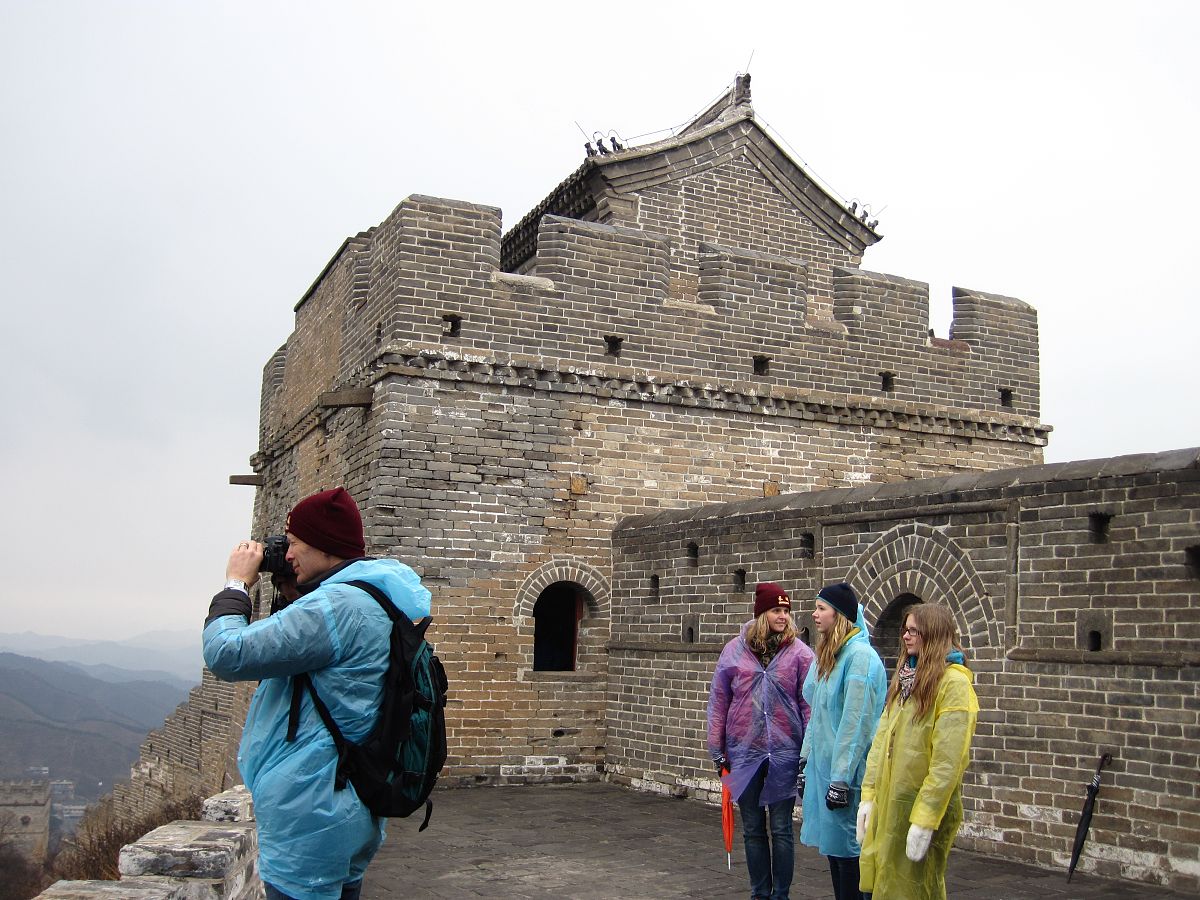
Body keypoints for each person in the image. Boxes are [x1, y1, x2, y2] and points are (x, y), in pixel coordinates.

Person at [203, 487, 431, 900]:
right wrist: (295, 593)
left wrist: (236, 583)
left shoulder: (335, 607)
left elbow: (226, 653)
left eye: (294, 545)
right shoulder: (374, 595)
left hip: (312, 809)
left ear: (324, 547)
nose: (287, 555)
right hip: (349, 800)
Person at [856, 603, 979, 900]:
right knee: (886, 884)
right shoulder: (905, 678)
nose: (907, 637)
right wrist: (869, 795)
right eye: (905, 630)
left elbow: (947, 762)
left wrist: (925, 817)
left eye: (914, 631)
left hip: (919, 807)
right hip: (890, 802)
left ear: (933, 634)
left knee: (918, 887)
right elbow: (882, 739)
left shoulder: (954, 684)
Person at [707, 583, 815, 900]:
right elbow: (719, 701)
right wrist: (717, 750)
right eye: (776, 610)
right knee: (753, 828)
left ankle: (781, 894)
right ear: (761, 615)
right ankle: (760, 893)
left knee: (781, 828)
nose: (783, 616)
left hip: (785, 753)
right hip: (743, 752)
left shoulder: (800, 654)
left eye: (786, 611)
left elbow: (809, 705)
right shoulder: (734, 651)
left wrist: (806, 752)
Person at [799, 583, 887, 900]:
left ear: (840, 616)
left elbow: (856, 723)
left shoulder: (860, 658)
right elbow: (817, 715)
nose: (814, 614)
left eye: (821, 608)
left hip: (848, 777)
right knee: (835, 853)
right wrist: (804, 761)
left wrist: (841, 778)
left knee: (850, 854)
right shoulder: (830, 656)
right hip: (825, 770)